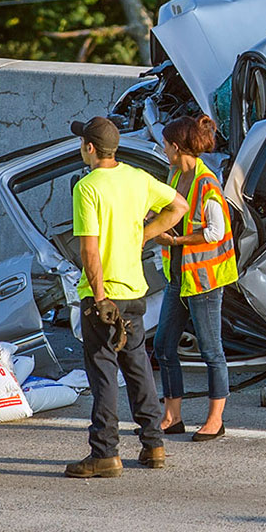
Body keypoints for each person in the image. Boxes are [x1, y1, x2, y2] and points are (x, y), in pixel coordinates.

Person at [64, 115, 187, 479]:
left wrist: (99, 296)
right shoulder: (137, 178)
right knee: (137, 371)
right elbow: (178, 206)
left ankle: (104, 452)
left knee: (103, 375)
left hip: (104, 299)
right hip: (134, 294)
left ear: (89, 148)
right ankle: (153, 445)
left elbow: (89, 250)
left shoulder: (87, 187)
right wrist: (143, 234)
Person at [155, 114, 236, 441]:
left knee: (210, 350)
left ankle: (215, 420)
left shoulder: (207, 184)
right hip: (179, 277)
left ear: (176, 147)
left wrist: (175, 241)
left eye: (165, 144)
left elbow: (215, 232)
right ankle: (172, 416)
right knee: (162, 345)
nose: (163, 149)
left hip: (203, 281)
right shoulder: (175, 177)